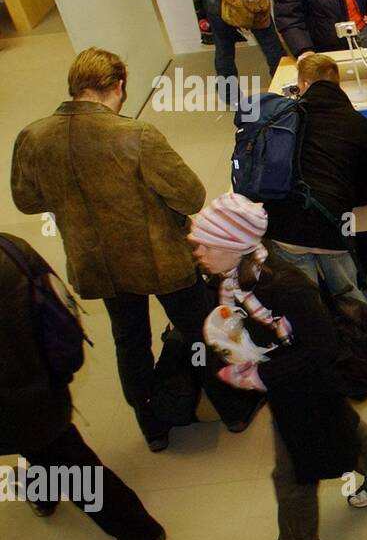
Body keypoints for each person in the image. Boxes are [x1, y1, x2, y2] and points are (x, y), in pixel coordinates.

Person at [10, 48, 260, 451]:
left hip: (98, 264)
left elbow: (26, 200)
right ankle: (232, 410)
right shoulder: (135, 135)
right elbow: (191, 195)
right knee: (201, 332)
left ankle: (154, 427)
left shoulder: (33, 137)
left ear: (75, 87)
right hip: (160, 257)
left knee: (129, 342)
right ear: (119, 87)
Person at [188, 193, 367, 540]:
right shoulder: (239, 275)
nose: (198, 252)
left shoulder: (285, 286)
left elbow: (320, 346)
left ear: (236, 246)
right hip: (296, 379)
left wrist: (260, 375)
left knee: (292, 472)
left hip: (301, 383)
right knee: (341, 424)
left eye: (207, 245)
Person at [1, 232, 168, 540]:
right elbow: (56, 306)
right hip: (40, 382)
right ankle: (44, 493)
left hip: (16, 400)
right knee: (47, 447)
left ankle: (139, 532)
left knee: (66, 462)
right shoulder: (10, 245)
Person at [263, 55, 367, 302]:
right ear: (338, 84)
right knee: (351, 300)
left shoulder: (283, 118)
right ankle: (366, 337)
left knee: (306, 306)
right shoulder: (358, 123)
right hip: (333, 226)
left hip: (284, 227)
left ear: (303, 84)